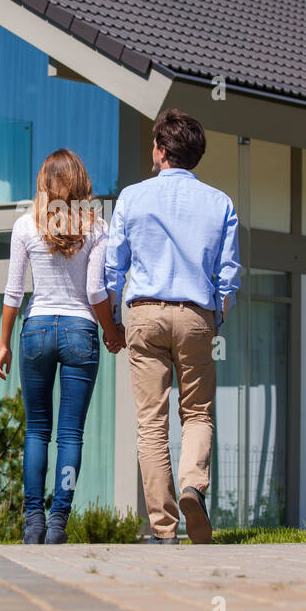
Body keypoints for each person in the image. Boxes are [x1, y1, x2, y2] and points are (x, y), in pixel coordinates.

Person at [104, 109, 241, 544]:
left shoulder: (131, 197)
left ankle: (163, 530)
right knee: (197, 412)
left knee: (151, 422)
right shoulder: (220, 203)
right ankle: (191, 486)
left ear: (162, 151)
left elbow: (113, 266)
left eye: (153, 145)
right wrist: (215, 317)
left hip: (144, 314)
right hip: (195, 313)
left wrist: (112, 319)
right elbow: (229, 274)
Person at [0, 149, 125, 545]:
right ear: (80, 182)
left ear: (44, 183)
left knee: (37, 431)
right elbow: (94, 290)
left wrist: (3, 344)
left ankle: (32, 520)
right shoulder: (97, 229)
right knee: (70, 435)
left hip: (35, 331)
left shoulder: (25, 226)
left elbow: (14, 292)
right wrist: (112, 330)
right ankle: (57, 524)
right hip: (80, 333)